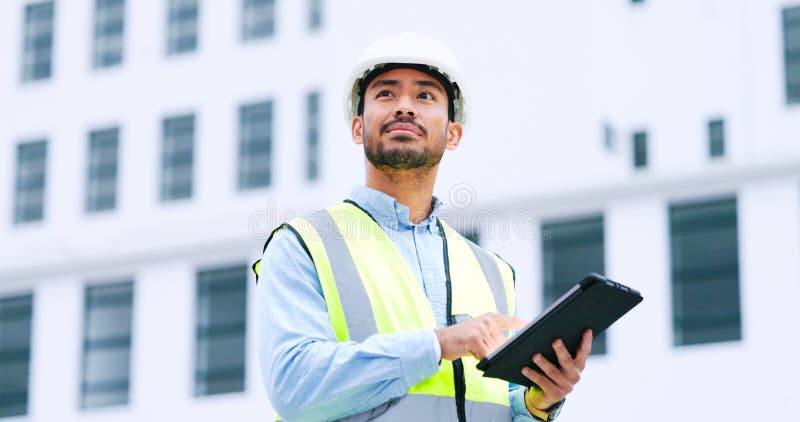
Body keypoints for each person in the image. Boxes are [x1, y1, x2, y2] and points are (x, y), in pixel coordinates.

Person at [254, 33, 592, 422]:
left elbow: (502, 405)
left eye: (425, 96)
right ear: (358, 128)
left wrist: (538, 402)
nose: (404, 108)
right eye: (385, 94)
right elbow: (294, 387)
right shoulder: (303, 245)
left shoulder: (494, 272)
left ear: (453, 134)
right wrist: (438, 345)